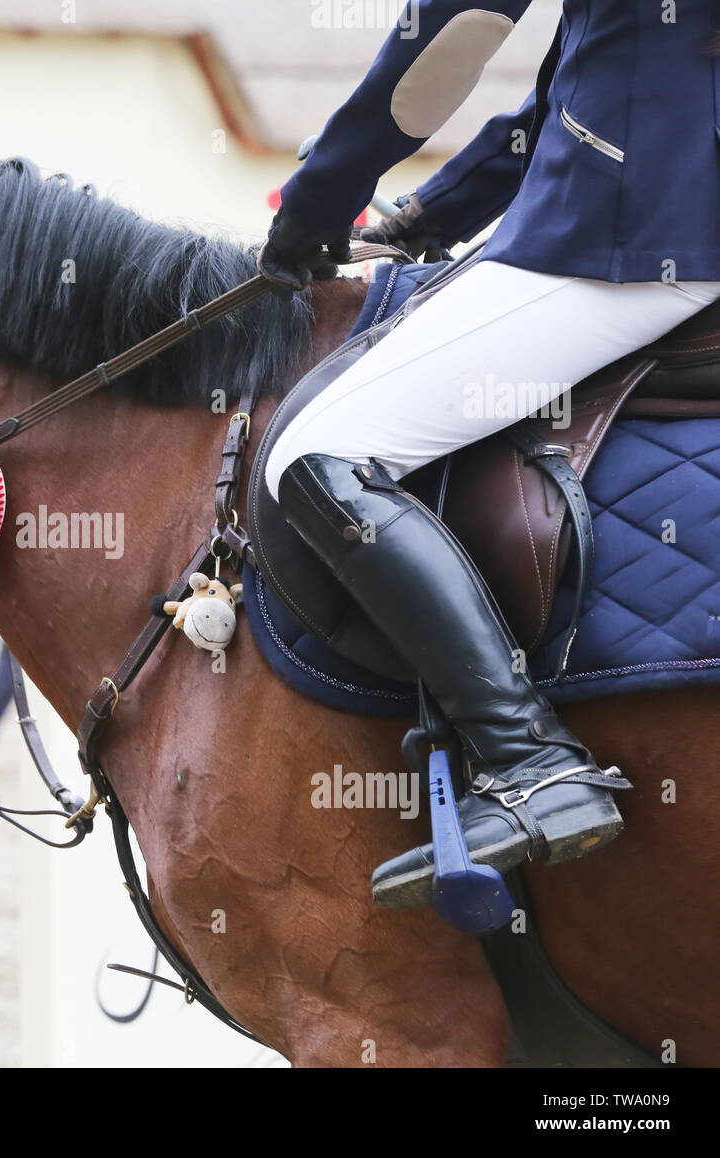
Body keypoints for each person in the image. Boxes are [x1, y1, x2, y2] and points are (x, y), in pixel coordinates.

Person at [259, 1, 720, 909]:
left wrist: (318, 200)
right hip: (654, 199)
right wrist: (431, 213)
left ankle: (530, 763)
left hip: (640, 233)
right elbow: (597, 72)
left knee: (320, 450)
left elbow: (456, 31)